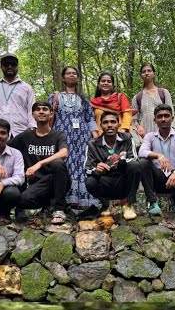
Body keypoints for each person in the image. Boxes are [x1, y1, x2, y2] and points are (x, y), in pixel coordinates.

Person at [10, 101, 71, 223]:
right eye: (38, 109)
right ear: (33, 114)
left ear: (51, 114)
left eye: (45, 109)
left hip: (57, 179)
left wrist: (39, 164)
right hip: (38, 184)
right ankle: (48, 205)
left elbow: (64, 153)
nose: (41, 112)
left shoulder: (58, 134)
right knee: (23, 200)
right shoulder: (26, 136)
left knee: (58, 163)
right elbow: (6, 148)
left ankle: (59, 209)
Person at [50, 66, 99, 217]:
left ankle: (84, 202)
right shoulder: (55, 97)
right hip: (62, 136)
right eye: (68, 73)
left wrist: (95, 136)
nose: (71, 75)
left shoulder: (84, 99)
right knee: (65, 164)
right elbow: (50, 116)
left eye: (74, 73)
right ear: (63, 78)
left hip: (82, 137)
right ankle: (63, 201)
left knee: (82, 165)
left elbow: (90, 118)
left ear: (78, 78)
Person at [85, 111, 146, 219]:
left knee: (135, 165)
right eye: (106, 122)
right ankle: (106, 204)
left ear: (119, 125)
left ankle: (129, 204)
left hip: (122, 181)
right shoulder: (92, 144)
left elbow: (133, 158)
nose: (109, 125)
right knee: (90, 181)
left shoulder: (127, 138)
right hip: (105, 181)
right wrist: (97, 170)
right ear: (101, 125)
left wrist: (120, 162)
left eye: (113, 122)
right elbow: (87, 168)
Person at [138, 104, 175, 214]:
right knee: (143, 162)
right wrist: (159, 156)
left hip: (174, 178)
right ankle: (152, 202)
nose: (163, 119)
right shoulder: (150, 136)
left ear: (172, 119)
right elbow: (142, 152)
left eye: (166, 116)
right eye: (160, 116)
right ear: (155, 120)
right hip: (157, 178)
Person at [0, 53, 35, 138]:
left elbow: (31, 109)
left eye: (13, 64)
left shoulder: (26, 88)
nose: (10, 67)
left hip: (21, 132)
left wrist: (32, 129)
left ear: (17, 67)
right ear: (1, 67)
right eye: (6, 64)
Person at [131, 64, 173, 140]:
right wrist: (138, 127)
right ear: (141, 75)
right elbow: (134, 119)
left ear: (154, 74)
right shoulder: (137, 97)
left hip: (164, 132)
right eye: (144, 72)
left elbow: (171, 113)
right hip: (145, 134)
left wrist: (172, 132)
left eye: (149, 71)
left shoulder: (164, 93)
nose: (146, 73)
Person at [90, 72, 134, 137]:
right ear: (99, 85)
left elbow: (127, 114)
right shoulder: (93, 102)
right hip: (100, 137)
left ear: (112, 85)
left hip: (120, 135)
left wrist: (123, 130)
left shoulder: (120, 97)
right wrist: (95, 135)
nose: (106, 83)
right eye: (103, 81)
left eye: (109, 81)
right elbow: (91, 120)